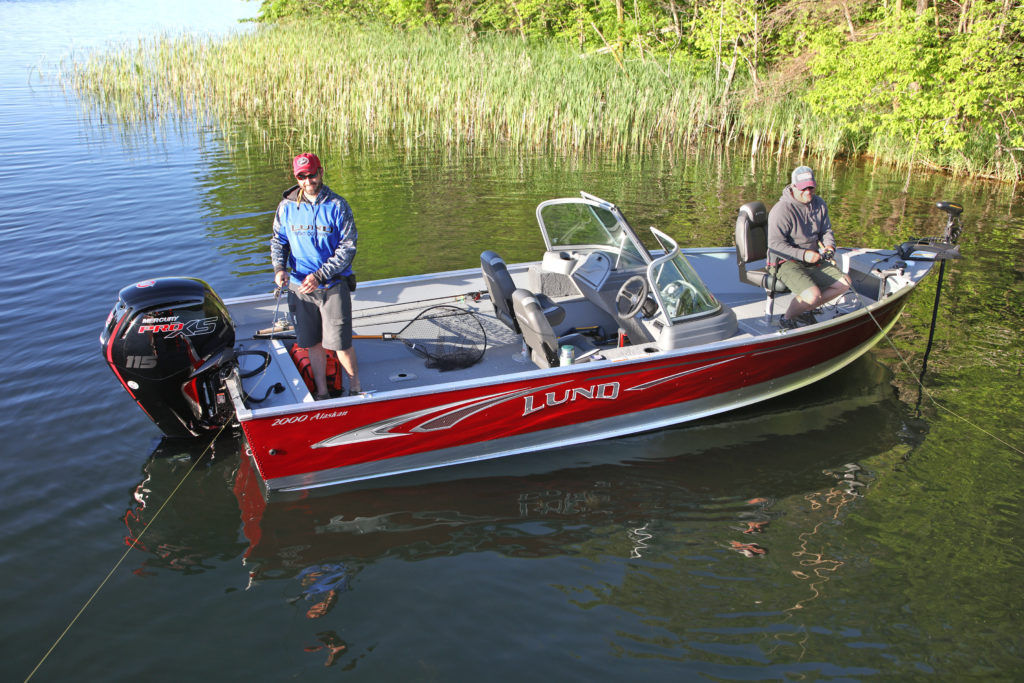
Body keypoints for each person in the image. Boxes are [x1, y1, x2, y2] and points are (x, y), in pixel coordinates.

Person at [271, 152, 360, 398]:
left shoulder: (338, 205)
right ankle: (322, 392)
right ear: (296, 177)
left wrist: (320, 276)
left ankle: (355, 389)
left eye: (312, 174)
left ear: (321, 172)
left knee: (341, 344)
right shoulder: (286, 207)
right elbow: (279, 241)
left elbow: (348, 248)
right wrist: (279, 269)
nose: (308, 180)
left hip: (332, 286)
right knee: (312, 344)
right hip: (300, 287)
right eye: (302, 176)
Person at [767, 165, 851, 329]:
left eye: (811, 188)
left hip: (812, 259)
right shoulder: (781, 210)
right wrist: (803, 254)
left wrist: (829, 247)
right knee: (812, 295)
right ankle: (787, 319)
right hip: (784, 262)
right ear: (793, 187)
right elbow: (774, 244)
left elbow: (826, 231)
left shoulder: (819, 204)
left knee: (845, 282)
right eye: (803, 188)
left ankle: (805, 310)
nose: (808, 192)